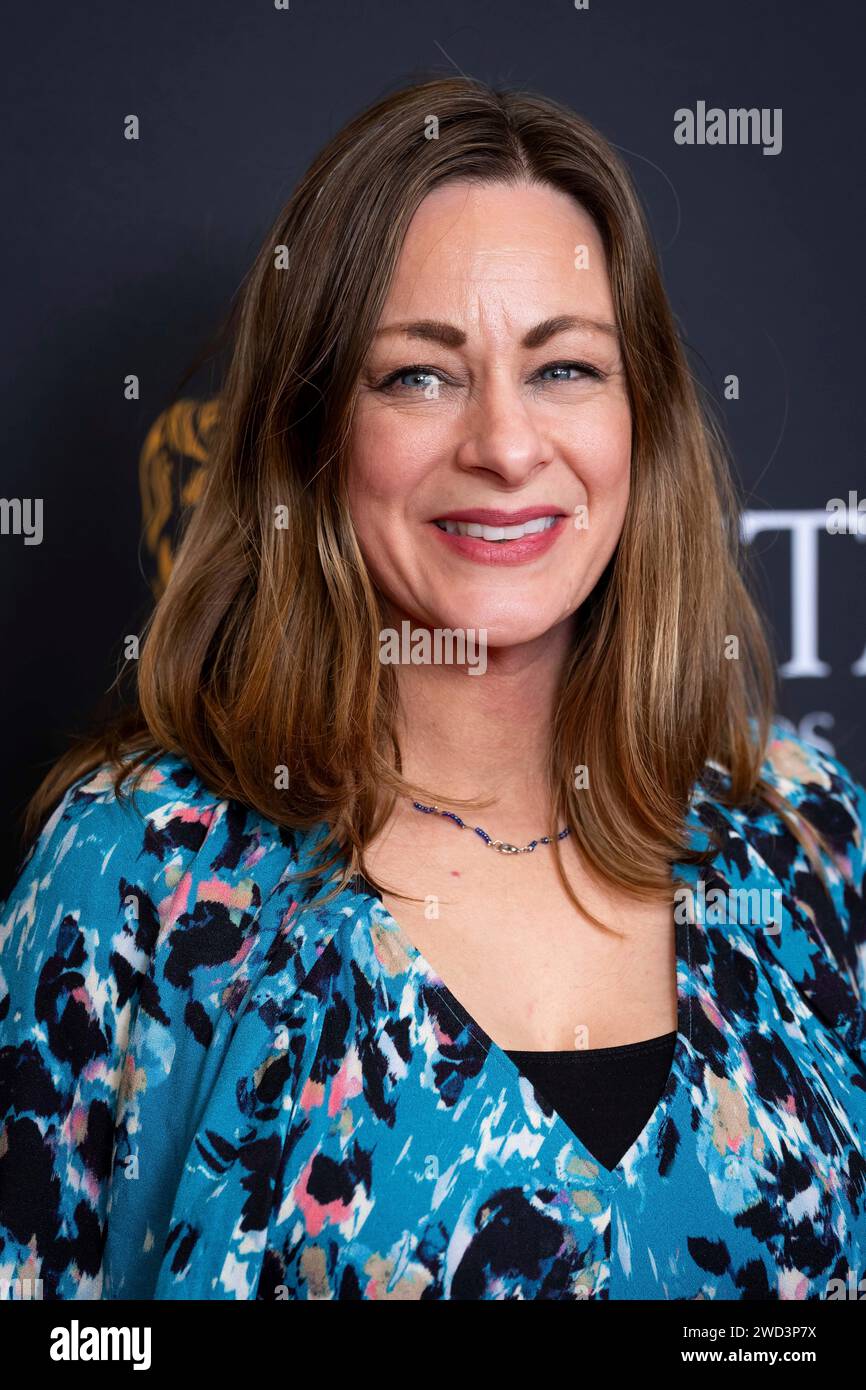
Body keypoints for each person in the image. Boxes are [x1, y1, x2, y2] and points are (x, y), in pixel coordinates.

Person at [1, 75, 864, 1302]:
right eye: (419, 375)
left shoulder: (807, 835)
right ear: (309, 437)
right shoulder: (137, 874)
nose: (505, 447)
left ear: (643, 420)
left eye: (563, 368)